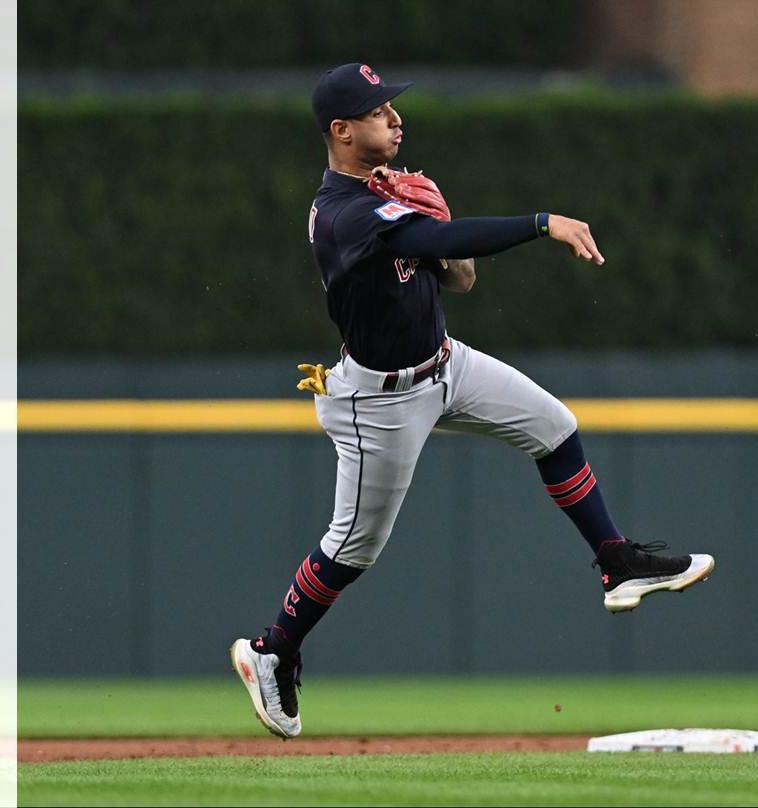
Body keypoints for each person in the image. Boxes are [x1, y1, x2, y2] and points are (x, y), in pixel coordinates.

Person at [230, 63, 714, 739]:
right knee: (354, 547)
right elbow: (437, 242)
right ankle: (272, 650)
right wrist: (541, 222)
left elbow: (455, 277)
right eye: (377, 112)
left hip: (444, 364)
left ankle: (616, 563)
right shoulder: (345, 212)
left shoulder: (384, 196)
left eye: (392, 108)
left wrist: (441, 234)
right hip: (381, 401)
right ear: (340, 132)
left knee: (554, 426)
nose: (394, 119)